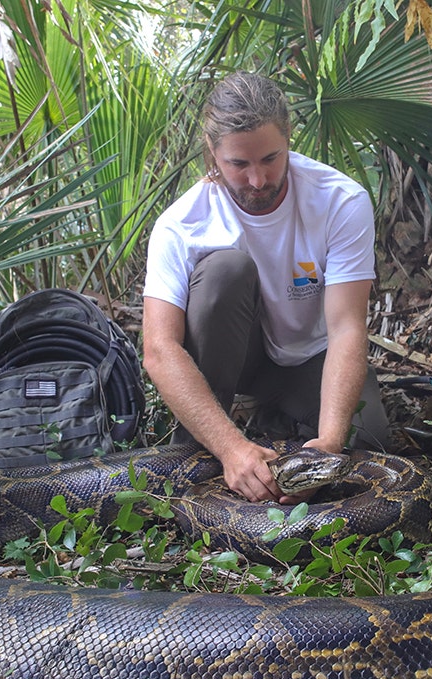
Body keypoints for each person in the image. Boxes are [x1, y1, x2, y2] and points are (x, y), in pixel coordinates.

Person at [142, 72, 390, 503]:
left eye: (270, 159)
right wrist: (230, 448)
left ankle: (277, 418)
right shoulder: (180, 224)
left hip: (309, 357)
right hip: (238, 363)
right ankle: (195, 450)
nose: (257, 180)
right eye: (239, 164)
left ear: (289, 138)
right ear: (213, 154)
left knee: (369, 444)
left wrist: (328, 445)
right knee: (224, 272)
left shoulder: (340, 201)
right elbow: (159, 349)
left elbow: (348, 330)